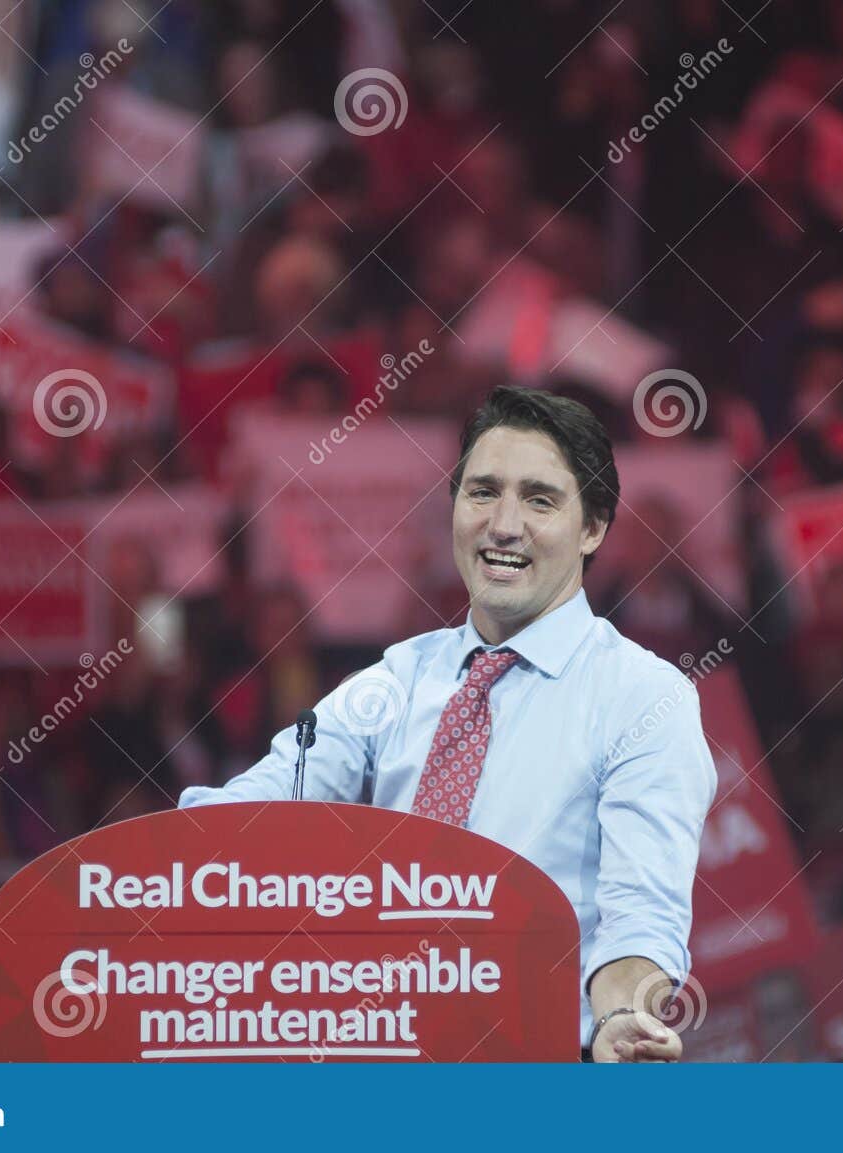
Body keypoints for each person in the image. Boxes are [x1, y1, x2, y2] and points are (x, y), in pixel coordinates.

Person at [181, 386, 717, 1061]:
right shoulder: (391, 683)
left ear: (594, 528)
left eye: (540, 499)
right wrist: (144, 868)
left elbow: (641, 916)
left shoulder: (642, 696)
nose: (503, 524)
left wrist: (619, 1014)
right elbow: (251, 813)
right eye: (483, 492)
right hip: (376, 1071)